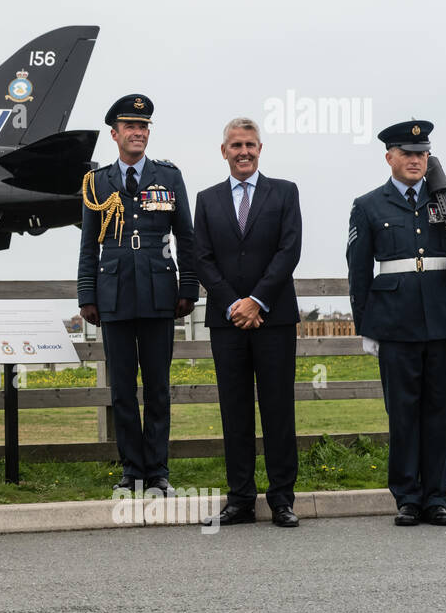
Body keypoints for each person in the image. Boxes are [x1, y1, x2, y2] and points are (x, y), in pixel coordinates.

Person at [347, 120, 446, 527]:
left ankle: (437, 498)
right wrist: (365, 324)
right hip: (395, 320)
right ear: (390, 157)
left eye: (421, 153)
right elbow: (358, 271)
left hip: (445, 316)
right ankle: (407, 497)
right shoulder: (369, 205)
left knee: (442, 411)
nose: (415, 160)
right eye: (407, 153)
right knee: (403, 412)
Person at [77, 94, 197, 496]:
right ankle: (132, 470)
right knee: (123, 389)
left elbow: (186, 236)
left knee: (159, 387)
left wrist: (188, 287)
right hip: (113, 295)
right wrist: (86, 295)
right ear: (114, 134)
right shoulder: (96, 182)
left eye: (143, 126)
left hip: (160, 292)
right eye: (130, 126)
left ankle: (158, 471)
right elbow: (88, 244)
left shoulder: (169, 176)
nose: (138, 132)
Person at [194, 118, 303, 528]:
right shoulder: (207, 199)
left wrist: (257, 301)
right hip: (227, 323)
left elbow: (289, 250)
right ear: (224, 151)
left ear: (261, 149)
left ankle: (281, 499)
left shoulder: (285, 192)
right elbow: (201, 257)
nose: (244, 151)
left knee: (278, 410)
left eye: (251, 145)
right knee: (234, 412)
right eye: (236, 145)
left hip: (273, 320)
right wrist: (233, 305)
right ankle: (240, 498)